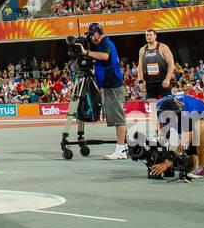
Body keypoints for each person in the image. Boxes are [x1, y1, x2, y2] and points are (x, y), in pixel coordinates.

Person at [73, 22, 127, 159]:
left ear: (100, 32)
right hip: (108, 85)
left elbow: (105, 56)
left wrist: (87, 53)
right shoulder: (102, 45)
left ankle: (121, 150)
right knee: (116, 117)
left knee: (118, 117)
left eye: (93, 34)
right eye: (90, 35)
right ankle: (121, 148)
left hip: (113, 85)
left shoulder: (106, 44)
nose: (92, 37)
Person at [148, 92, 204, 179]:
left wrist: (168, 162)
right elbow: (162, 132)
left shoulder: (189, 113)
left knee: (202, 126)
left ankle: (202, 168)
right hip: (191, 126)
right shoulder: (160, 108)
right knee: (190, 167)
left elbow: (185, 140)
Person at [136, 29, 177, 102]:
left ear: (155, 36)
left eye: (150, 35)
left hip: (163, 81)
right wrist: (141, 82)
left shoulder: (163, 47)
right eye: (147, 35)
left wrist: (167, 79)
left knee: (167, 104)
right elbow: (140, 67)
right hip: (150, 82)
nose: (148, 37)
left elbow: (171, 64)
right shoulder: (142, 50)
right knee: (152, 105)